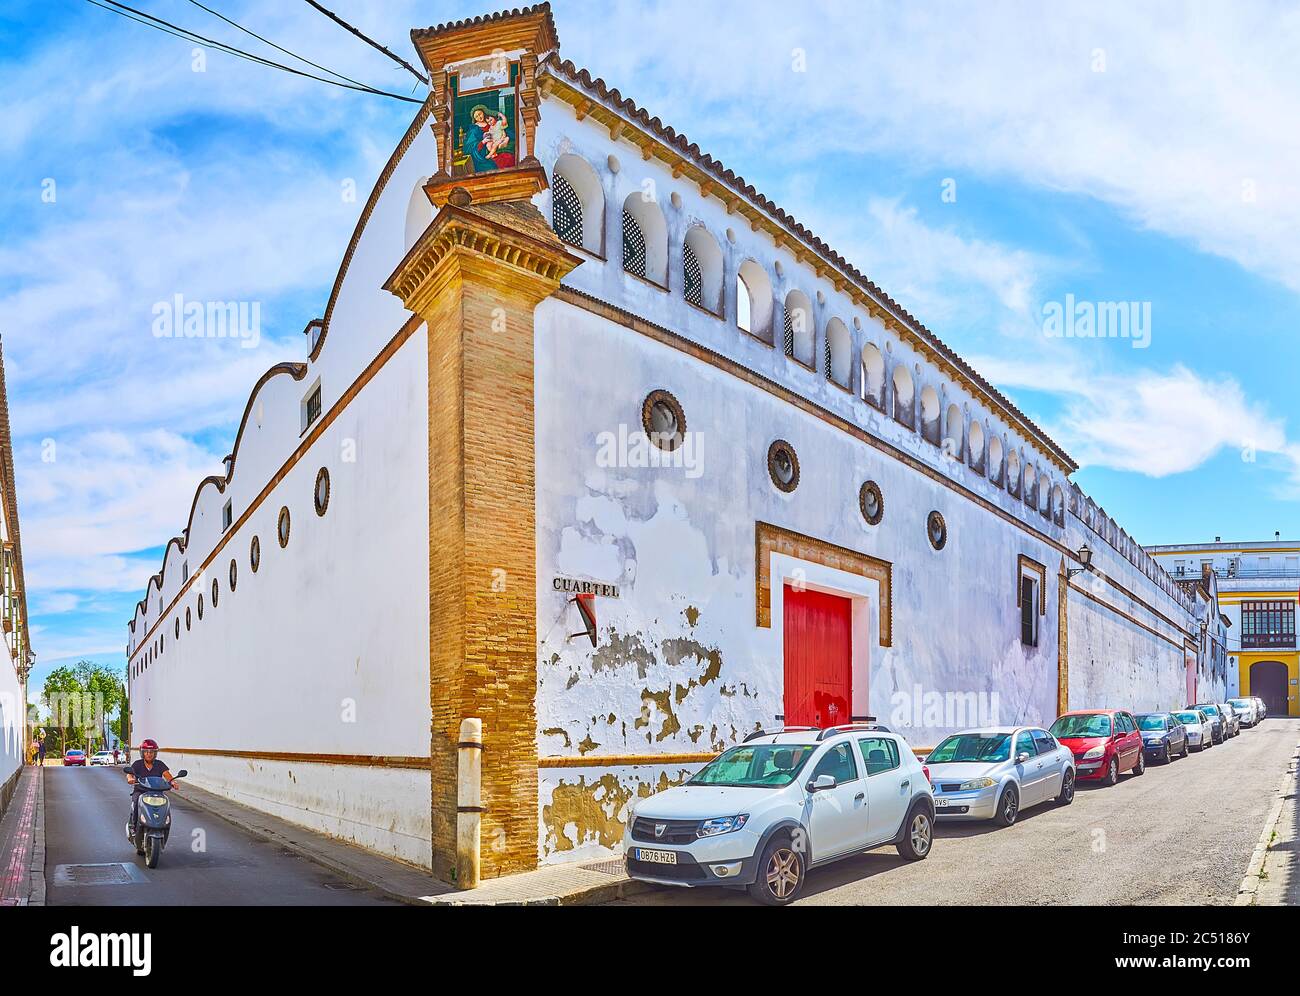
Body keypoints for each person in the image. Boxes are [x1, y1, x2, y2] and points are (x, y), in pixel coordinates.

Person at [125, 739, 183, 833]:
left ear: (155, 753)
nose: (149, 754)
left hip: (157, 793)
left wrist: (173, 782)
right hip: (141, 791)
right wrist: (130, 779)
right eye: (146, 752)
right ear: (142, 753)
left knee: (165, 805)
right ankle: (133, 826)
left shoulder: (159, 764)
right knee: (136, 802)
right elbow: (130, 773)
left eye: (152, 752)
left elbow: (167, 774)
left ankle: (164, 825)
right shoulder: (137, 764)